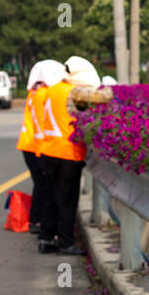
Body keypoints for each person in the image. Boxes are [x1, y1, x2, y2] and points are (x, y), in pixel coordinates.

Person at [32, 56, 96, 255]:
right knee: (66, 199)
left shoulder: (51, 90)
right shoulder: (75, 93)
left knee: (50, 197)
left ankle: (46, 239)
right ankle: (66, 242)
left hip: (48, 150)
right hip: (68, 153)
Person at [18, 60, 65, 235]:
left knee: (41, 184)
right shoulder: (42, 94)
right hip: (35, 145)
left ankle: (36, 220)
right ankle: (37, 221)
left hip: (30, 144)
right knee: (43, 184)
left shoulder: (34, 92)